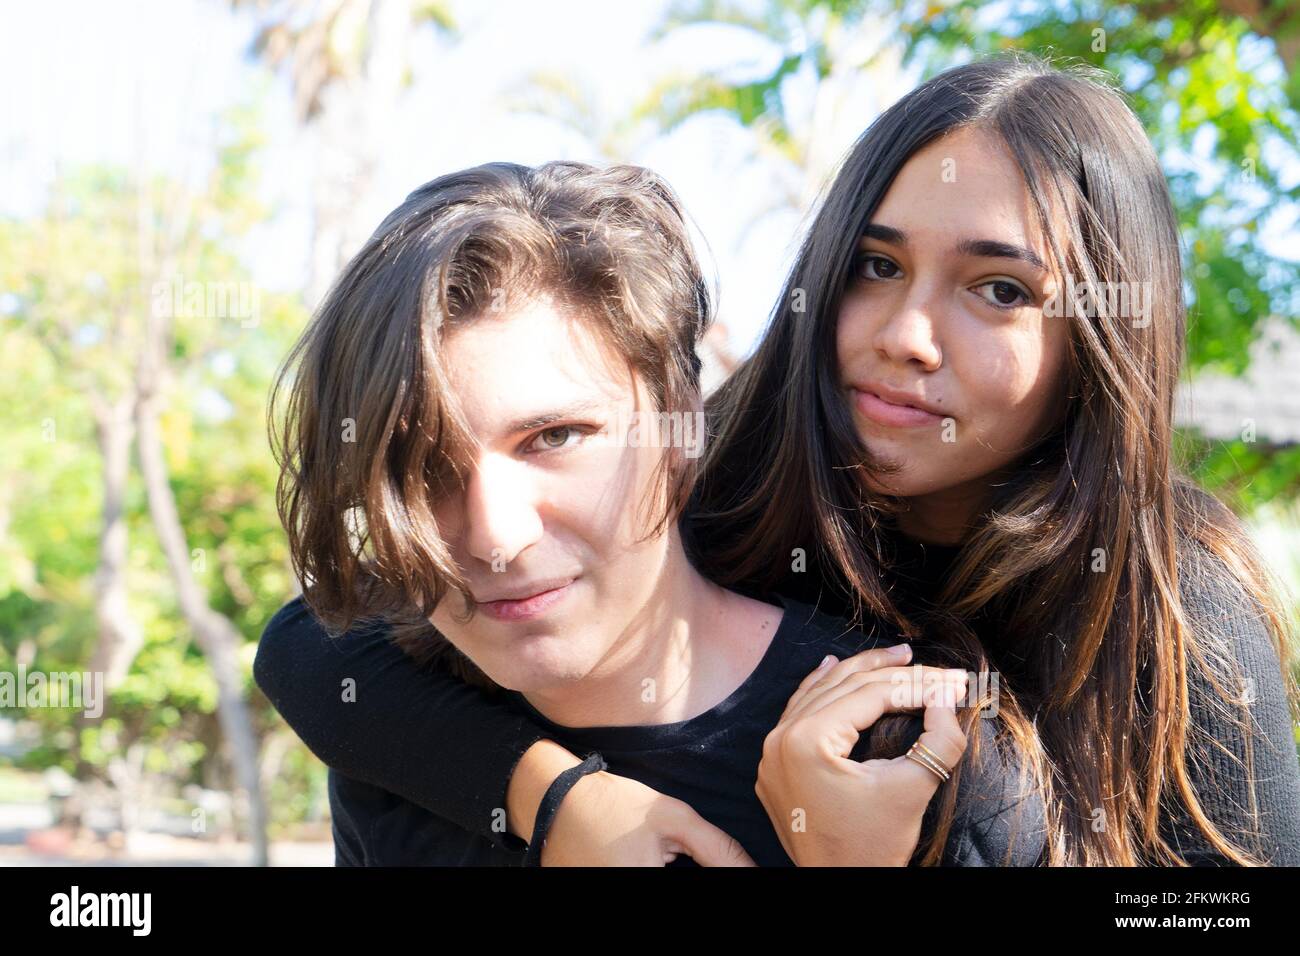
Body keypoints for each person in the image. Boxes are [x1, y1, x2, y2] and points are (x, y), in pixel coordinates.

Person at [259, 56, 1300, 866]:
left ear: (1101, 343)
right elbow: (321, 641)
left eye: (999, 290)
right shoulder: (723, 462)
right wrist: (552, 793)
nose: (905, 333)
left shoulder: (1173, 604)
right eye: (875, 265)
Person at [262, 159, 1037, 866]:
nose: (495, 536)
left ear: (680, 421)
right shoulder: (393, 750)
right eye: (423, 466)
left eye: (555, 437)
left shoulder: (913, 758)